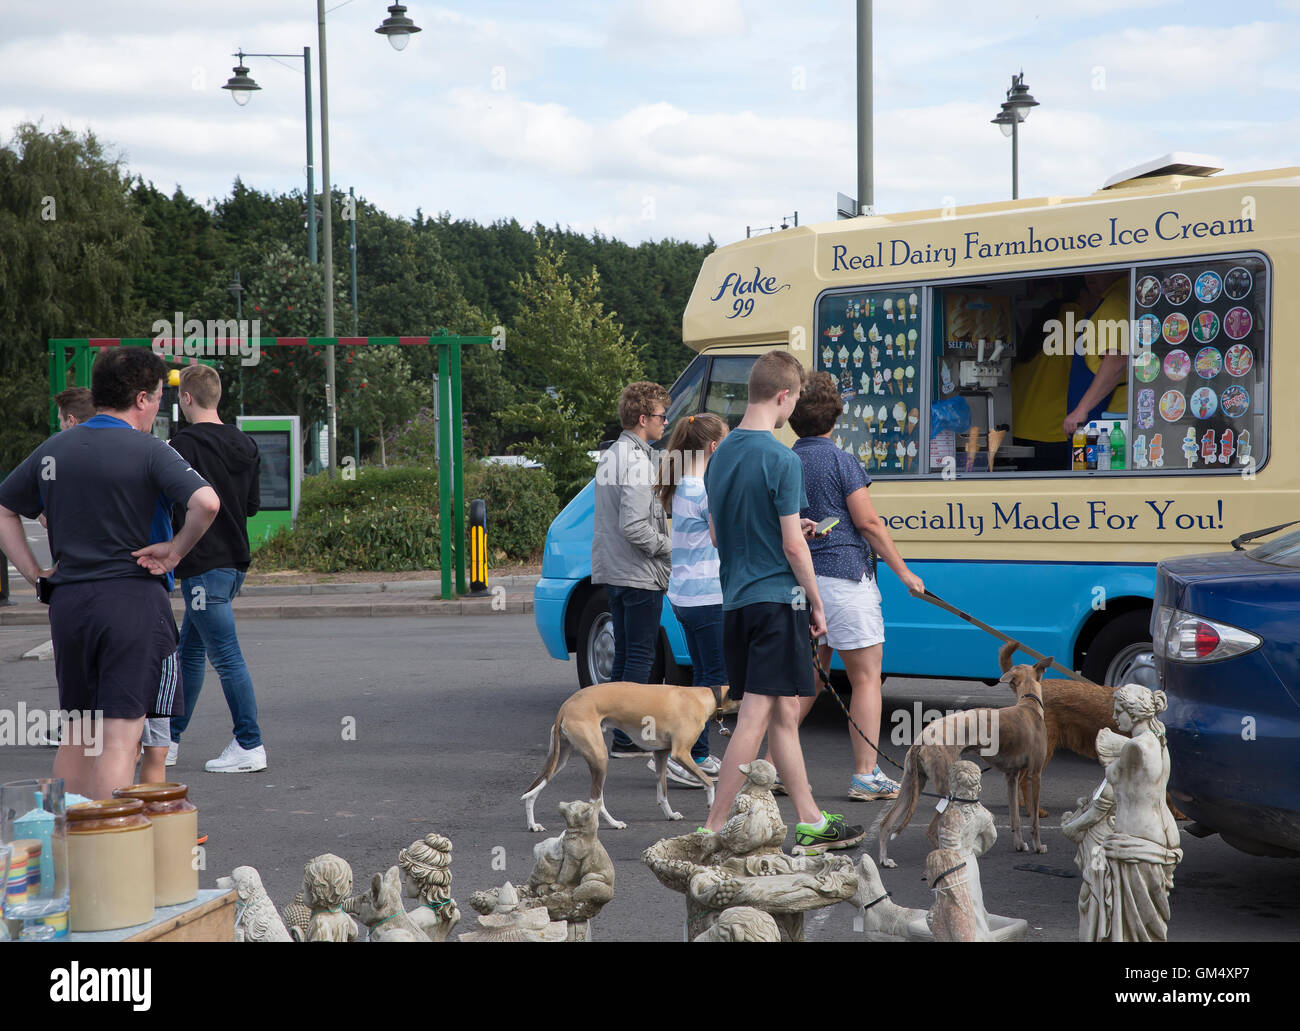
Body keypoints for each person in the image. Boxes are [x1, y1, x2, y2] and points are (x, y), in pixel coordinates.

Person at [0, 348, 219, 799]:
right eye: (158, 397)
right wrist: (176, 552)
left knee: (78, 735)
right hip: (133, 601)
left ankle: (58, 851)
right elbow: (207, 503)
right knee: (121, 739)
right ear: (142, 398)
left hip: (69, 604)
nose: (159, 406)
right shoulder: (151, 450)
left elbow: (4, 510)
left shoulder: (55, 448)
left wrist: (35, 575)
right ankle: (108, 859)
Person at [700, 351, 864, 854]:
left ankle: (810, 818)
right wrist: (816, 601)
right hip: (779, 602)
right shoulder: (782, 458)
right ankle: (712, 828)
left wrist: (786, 529)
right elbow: (795, 547)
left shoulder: (720, 454)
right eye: (793, 401)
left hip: (738, 602)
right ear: (783, 397)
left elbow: (716, 532)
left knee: (782, 714)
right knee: (755, 717)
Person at [787, 371, 925, 800]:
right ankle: (866, 774)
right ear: (835, 416)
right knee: (866, 678)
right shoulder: (841, 461)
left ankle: (771, 765)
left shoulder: (786, 460)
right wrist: (904, 572)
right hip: (845, 578)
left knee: (810, 676)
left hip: (801, 581)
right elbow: (867, 523)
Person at [166, 364, 267, 773]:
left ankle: (250, 744)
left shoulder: (180, 445)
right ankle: (168, 741)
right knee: (188, 652)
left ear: (186, 398)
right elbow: (252, 507)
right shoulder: (246, 443)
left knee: (225, 656)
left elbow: (171, 503)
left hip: (202, 566)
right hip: (233, 563)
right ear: (217, 396)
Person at [591, 380, 673, 760]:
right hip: (640, 572)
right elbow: (635, 526)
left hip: (615, 571)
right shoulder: (638, 462)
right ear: (643, 419)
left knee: (625, 654)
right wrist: (670, 548)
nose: (665, 422)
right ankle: (627, 739)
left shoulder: (611, 454)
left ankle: (619, 733)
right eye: (660, 415)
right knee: (640, 656)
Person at [654, 413, 729, 786]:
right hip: (706, 595)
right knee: (714, 680)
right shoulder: (703, 489)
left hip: (684, 595)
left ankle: (691, 753)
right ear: (714, 447)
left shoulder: (683, 483)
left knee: (702, 675)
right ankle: (689, 756)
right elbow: (720, 538)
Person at [1010, 272, 1129, 470]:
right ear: (1082, 293)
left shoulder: (1112, 303)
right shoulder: (1079, 316)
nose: (1091, 276)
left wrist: (1081, 409)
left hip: (1029, 425)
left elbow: (1116, 358)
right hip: (1054, 428)